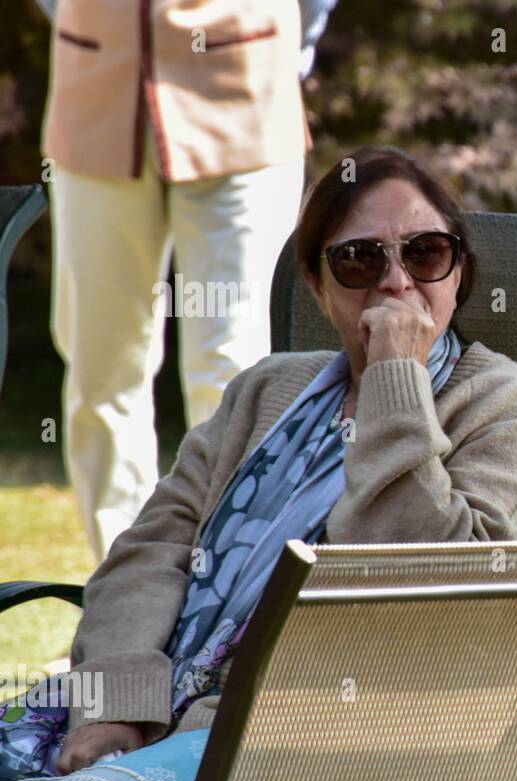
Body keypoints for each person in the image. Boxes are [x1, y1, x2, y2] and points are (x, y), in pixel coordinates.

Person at [0, 146, 517, 781]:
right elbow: (152, 551)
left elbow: (438, 590)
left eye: (425, 254)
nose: (396, 283)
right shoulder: (268, 392)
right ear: (316, 283)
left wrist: (396, 377)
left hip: (335, 735)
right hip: (170, 711)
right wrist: (118, 706)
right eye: (361, 261)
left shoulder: (507, 410)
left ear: (460, 270)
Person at [38, 0, 337, 561]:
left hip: (243, 92)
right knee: (101, 371)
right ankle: (118, 603)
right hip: (96, 89)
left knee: (236, 369)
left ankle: (217, 606)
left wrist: (287, 42)